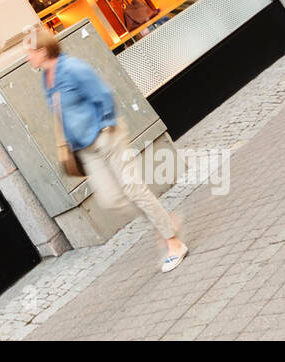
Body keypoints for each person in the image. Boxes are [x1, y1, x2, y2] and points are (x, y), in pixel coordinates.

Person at [26, 25, 189, 272]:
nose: (27, 56)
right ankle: (165, 222)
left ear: (43, 50)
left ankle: (173, 242)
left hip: (106, 137)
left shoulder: (72, 68)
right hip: (86, 149)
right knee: (110, 199)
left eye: (30, 51)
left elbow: (102, 93)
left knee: (134, 190)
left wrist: (106, 125)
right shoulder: (45, 79)